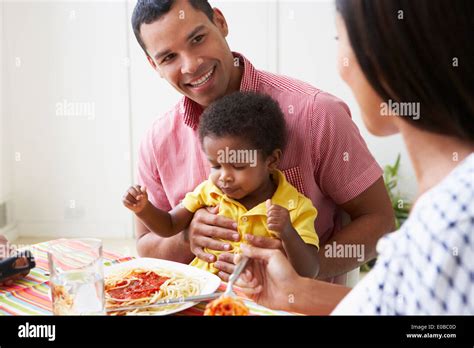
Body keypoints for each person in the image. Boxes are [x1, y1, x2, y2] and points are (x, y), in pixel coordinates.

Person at [235, 0, 474, 314]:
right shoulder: (448, 210)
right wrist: (295, 293)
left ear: (382, 53)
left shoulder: (451, 222)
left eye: (339, 40)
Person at [131, 0, 394, 282]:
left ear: (220, 22)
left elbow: (379, 221)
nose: (191, 65)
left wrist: (300, 267)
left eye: (197, 38)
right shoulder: (157, 142)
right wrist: (185, 238)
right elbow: (145, 245)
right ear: (153, 65)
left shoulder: (316, 114)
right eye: (168, 57)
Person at [123, 92, 320, 278]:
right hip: (203, 294)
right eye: (216, 165)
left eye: (238, 166)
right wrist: (144, 209)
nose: (225, 177)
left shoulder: (294, 206)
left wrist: (287, 232)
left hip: (260, 301)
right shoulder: (209, 191)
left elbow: (308, 271)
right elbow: (169, 226)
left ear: (271, 161)